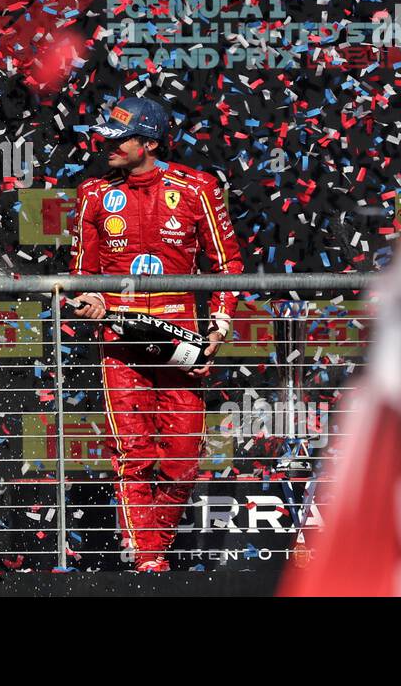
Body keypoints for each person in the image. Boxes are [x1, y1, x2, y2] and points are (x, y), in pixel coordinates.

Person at [69, 97, 244, 573]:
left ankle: (156, 550)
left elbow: (227, 264)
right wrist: (88, 301)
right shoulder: (92, 193)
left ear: (148, 141)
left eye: (116, 137)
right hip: (121, 346)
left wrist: (220, 322)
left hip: (180, 343)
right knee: (132, 455)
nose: (104, 143)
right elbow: (80, 273)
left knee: (183, 457)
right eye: (103, 134)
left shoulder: (197, 187)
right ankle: (150, 563)